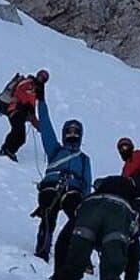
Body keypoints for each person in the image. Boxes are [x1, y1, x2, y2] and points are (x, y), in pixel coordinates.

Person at [44, 174, 139, 280]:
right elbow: (133, 263)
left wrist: (58, 278)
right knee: (111, 270)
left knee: (75, 263)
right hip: (117, 218)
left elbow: (62, 242)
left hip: (89, 213)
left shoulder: (90, 200)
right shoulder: (129, 208)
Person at [32, 95, 91, 261]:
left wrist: (86, 204)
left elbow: (87, 183)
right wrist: (41, 100)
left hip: (73, 190)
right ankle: (43, 249)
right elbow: (45, 126)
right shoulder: (55, 150)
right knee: (48, 213)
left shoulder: (84, 159)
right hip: (52, 185)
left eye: (75, 132)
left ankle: (78, 256)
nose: (72, 134)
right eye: (69, 131)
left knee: (78, 219)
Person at [0, 70, 48, 160]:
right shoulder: (29, 82)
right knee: (18, 131)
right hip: (15, 110)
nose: (41, 79)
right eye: (41, 76)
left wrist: (38, 126)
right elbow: (19, 92)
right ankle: (6, 150)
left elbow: (31, 110)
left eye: (43, 78)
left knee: (20, 136)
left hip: (20, 113)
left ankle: (9, 150)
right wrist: (26, 104)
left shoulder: (35, 91)